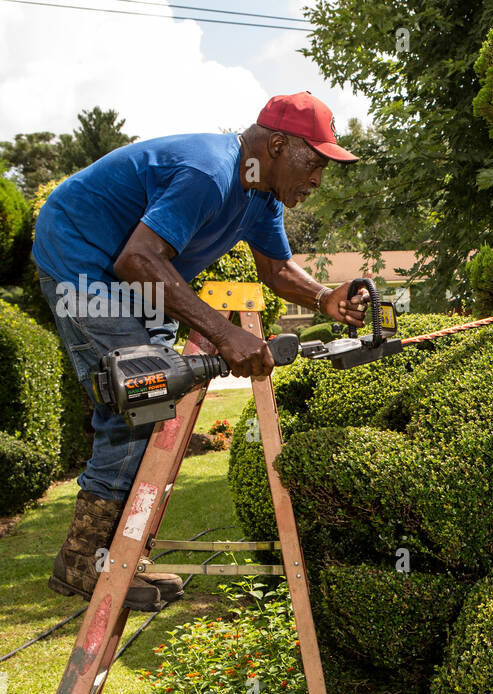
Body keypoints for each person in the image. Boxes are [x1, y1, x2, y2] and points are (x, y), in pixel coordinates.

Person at [33, 92, 370, 612]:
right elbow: (138, 257)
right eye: (316, 162)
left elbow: (276, 270)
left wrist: (326, 297)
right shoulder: (210, 173)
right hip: (83, 265)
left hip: (130, 277)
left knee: (153, 398)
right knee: (139, 403)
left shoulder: (259, 196)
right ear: (277, 145)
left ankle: (118, 559)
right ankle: (85, 562)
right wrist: (222, 333)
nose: (318, 180)